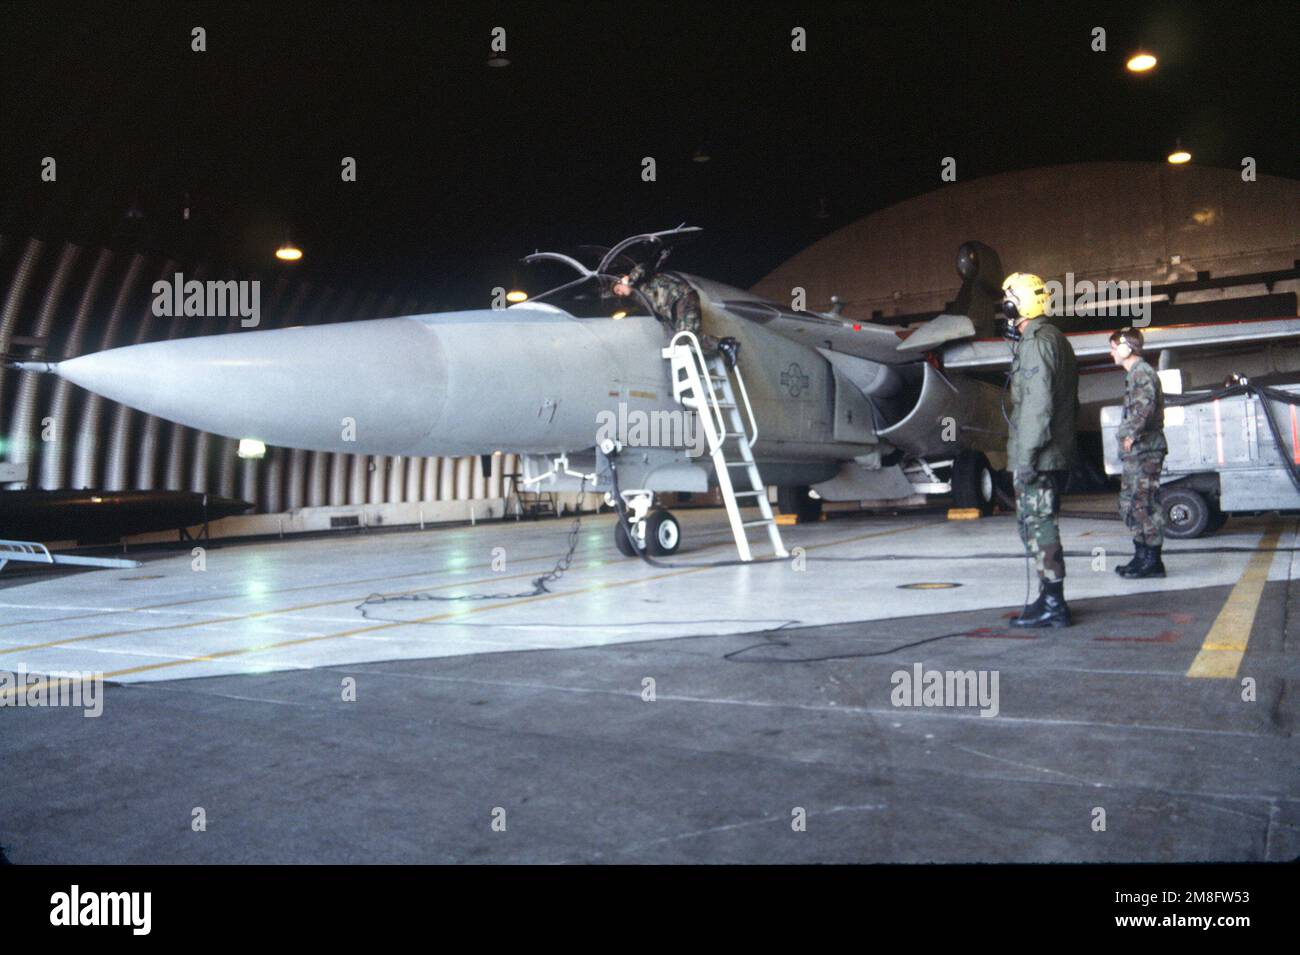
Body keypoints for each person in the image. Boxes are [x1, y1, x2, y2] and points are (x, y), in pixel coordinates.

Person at [1003, 271, 1080, 628]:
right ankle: (1046, 597)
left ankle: (1054, 605)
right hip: (1051, 451)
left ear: (1016, 304)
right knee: (1036, 524)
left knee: (1039, 525)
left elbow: (1037, 405)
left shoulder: (1037, 342)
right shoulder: (1054, 338)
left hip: (1039, 454)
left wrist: (1027, 456)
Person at [1110, 327, 1168, 578]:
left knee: (1143, 504)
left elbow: (1145, 407)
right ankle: (1141, 555)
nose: (1111, 353)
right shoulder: (1135, 374)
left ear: (1125, 349)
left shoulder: (1141, 373)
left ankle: (1152, 562)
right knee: (1132, 504)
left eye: (1113, 348)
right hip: (1140, 450)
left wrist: (1131, 433)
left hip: (1146, 449)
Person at [612, 265, 740, 367]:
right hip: (676, 306)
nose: (620, 293)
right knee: (682, 341)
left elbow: (643, 267)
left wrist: (630, 279)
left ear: (622, 280)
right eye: (618, 294)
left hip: (681, 298)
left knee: (687, 337)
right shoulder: (639, 296)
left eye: (618, 289)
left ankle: (725, 344)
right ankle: (722, 344)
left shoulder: (638, 277)